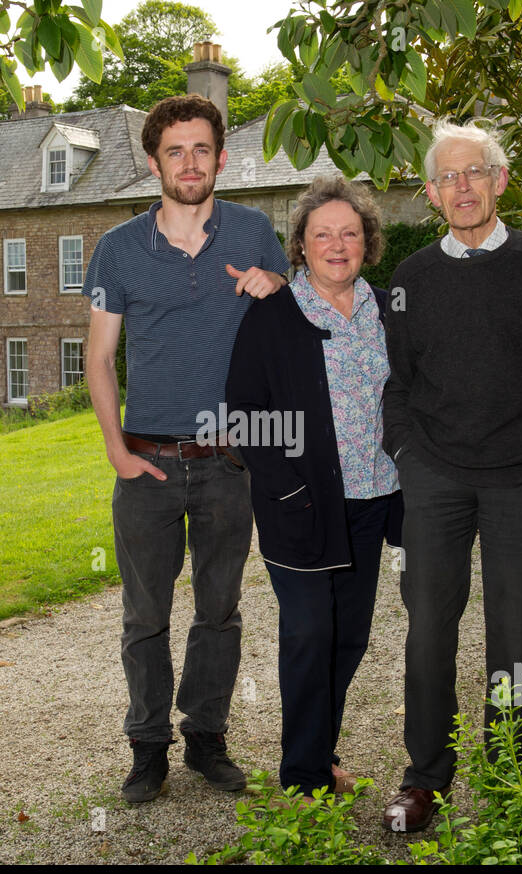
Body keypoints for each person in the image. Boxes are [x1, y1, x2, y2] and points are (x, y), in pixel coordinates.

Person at [380, 118, 522, 833]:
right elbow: (398, 384)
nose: (462, 187)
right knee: (428, 632)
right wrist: (406, 455)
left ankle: (516, 779)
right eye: (447, 177)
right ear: (432, 193)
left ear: (500, 181)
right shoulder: (410, 279)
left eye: (475, 173)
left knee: (521, 635)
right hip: (435, 477)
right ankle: (424, 782)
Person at [82, 94, 290, 804]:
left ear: (221, 158)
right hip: (145, 463)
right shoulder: (118, 248)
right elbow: (100, 357)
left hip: (228, 463)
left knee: (220, 610)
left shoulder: (255, 232)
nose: (190, 162)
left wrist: (279, 284)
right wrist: (115, 450)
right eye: (175, 151)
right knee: (144, 616)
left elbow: (293, 325)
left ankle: (206, 737)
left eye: (202, 149)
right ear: (153, 163)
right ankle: (147, 747)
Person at [225, 176, 402, 799]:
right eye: (321, 233)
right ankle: (302, 779)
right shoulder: (276, 314)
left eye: (349, 232)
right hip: (302, 509)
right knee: (309, 634)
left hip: (373, 501)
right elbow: (244, 412)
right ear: (300, 244)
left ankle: (319, 755)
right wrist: (288, 489)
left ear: (367, 242)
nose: (336, 244)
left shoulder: (386, 310)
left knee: (350, 637)